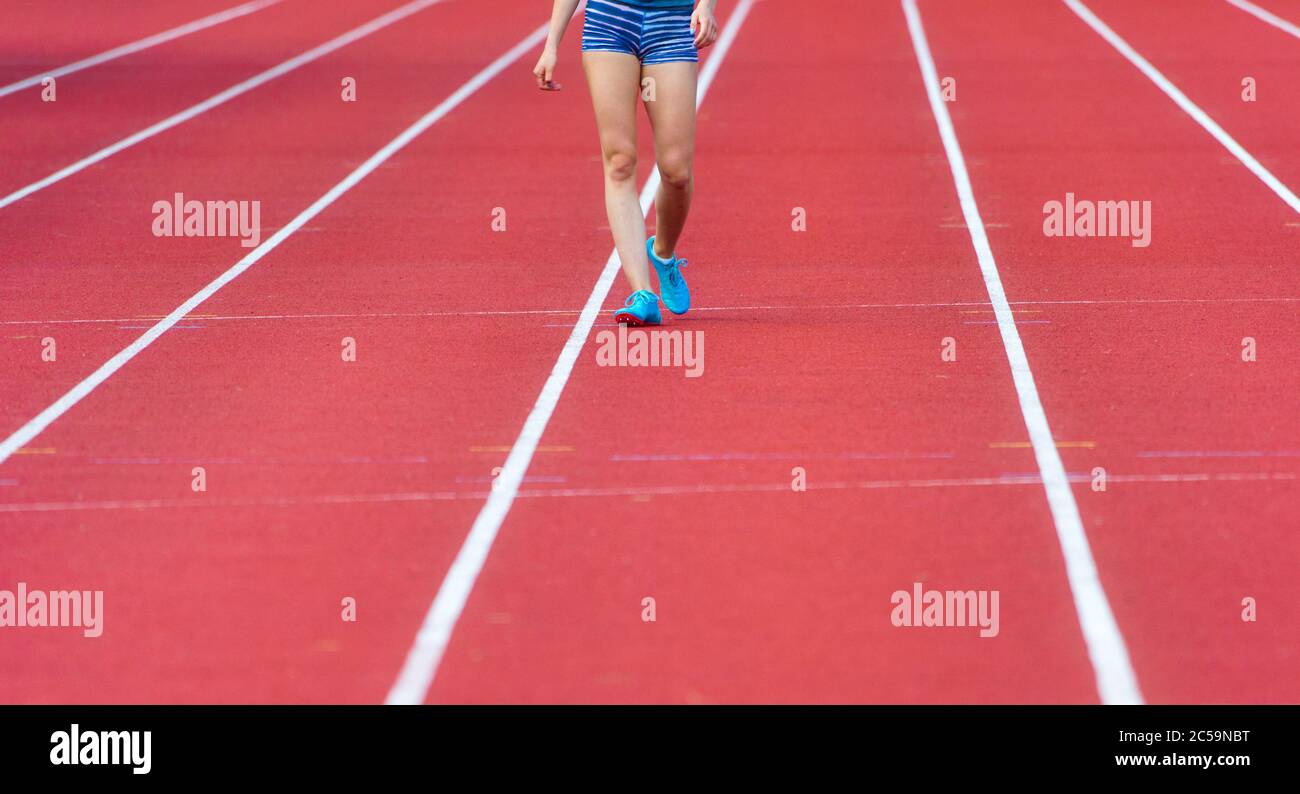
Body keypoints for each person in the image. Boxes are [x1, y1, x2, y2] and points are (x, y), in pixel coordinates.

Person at [534, 0, 720, 326]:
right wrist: (551, 44)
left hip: (671, 25)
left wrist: (706, 6)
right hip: (609, 24)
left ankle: (662, 253)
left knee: (677, 170)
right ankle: (642, 293)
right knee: (620, 161)